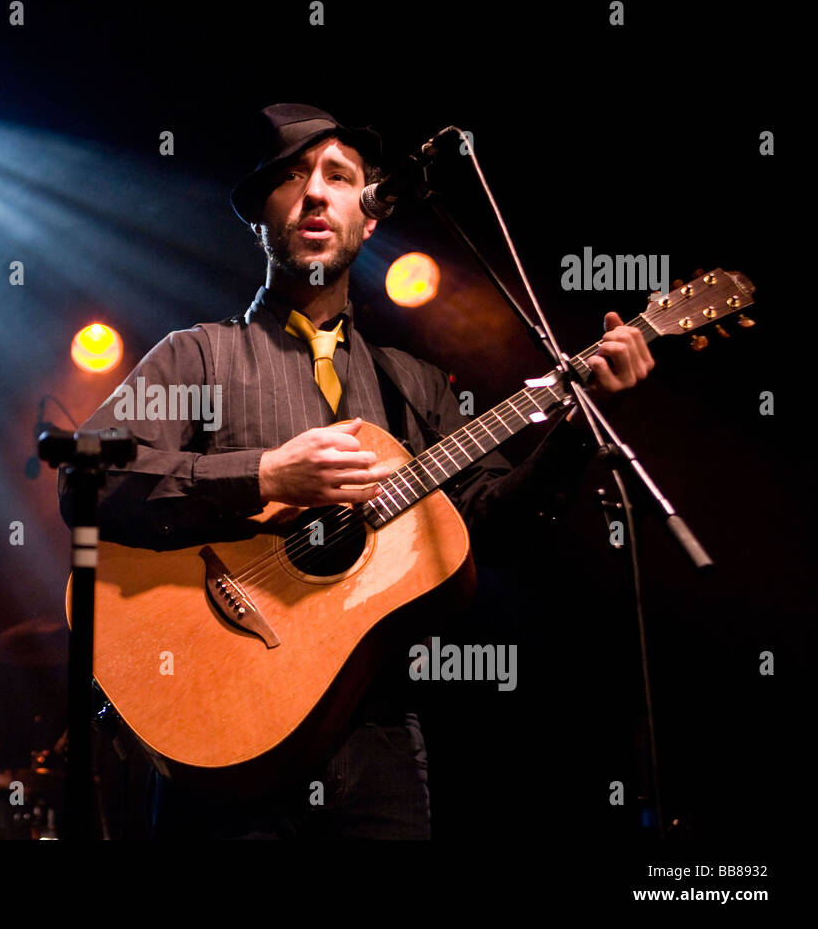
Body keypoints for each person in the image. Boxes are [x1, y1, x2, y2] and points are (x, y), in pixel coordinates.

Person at [58, 103, 654, 838]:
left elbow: (496, 533)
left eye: (339, 177)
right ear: (260, 217)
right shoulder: (196, 356)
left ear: (369, 218)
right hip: (220, 733)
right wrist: (263, 475)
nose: (315, 193)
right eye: (292, 178)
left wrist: (573, 425)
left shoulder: (415, 385)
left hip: (380, 746)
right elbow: (86, 479)